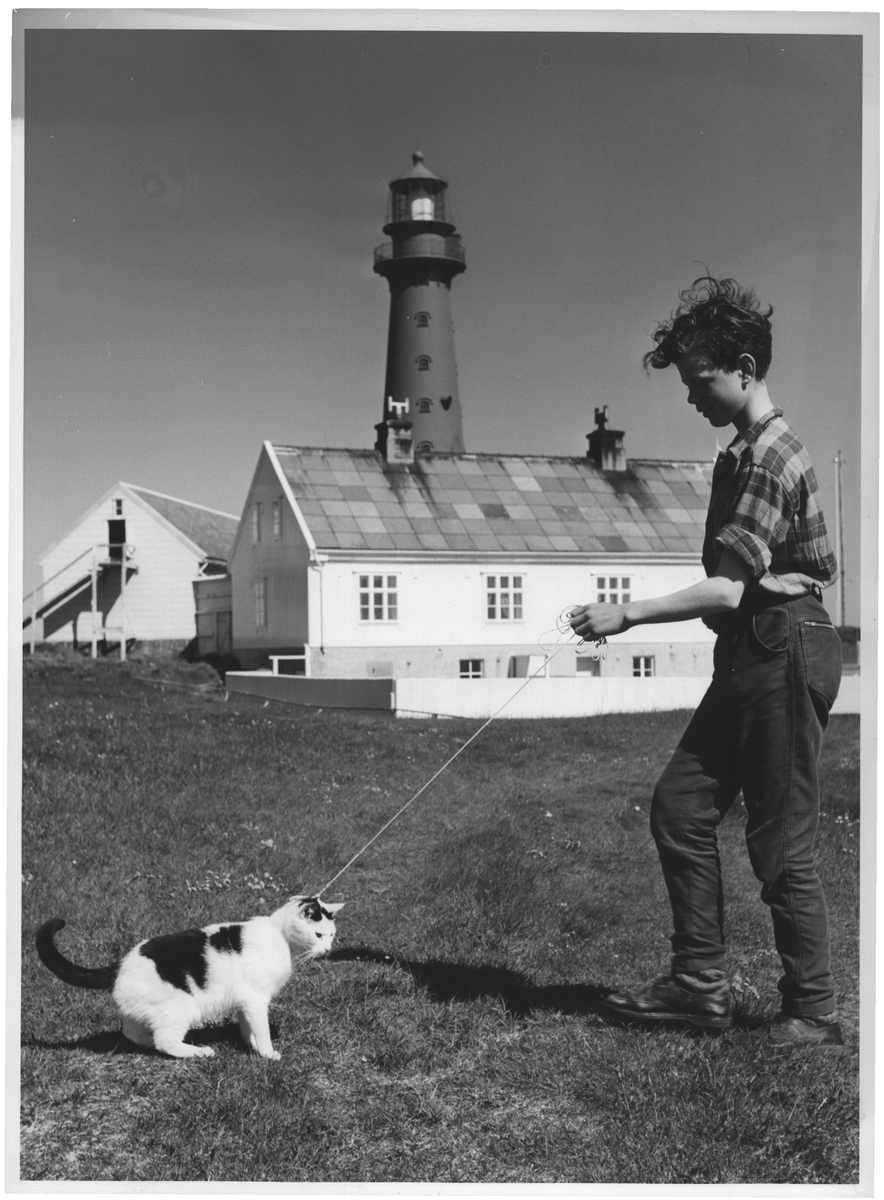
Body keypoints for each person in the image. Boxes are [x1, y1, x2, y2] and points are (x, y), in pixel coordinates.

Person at [570, 276, 844, 1047]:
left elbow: (728, 589)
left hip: (783, 643)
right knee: (682, 808)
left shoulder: (768, 458)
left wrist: (625, 613)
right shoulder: (740, 454)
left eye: (701, 382)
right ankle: (698, 985)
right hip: (756, 650)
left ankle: (814, 1011)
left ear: (746, 367)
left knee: (779, 841)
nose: (692, 396)